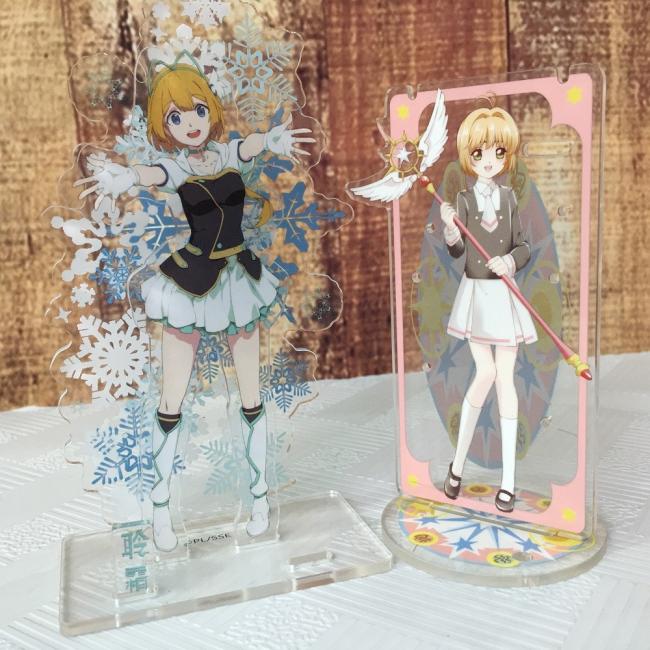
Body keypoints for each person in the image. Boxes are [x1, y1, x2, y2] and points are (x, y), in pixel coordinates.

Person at [75, 61, 314, 550]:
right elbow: (151, 172)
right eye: (176, 117)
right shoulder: (177, 167)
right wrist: (123, 177)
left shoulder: (225, 152)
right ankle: (161, 509)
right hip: (191, 282)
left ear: (212, 109)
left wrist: (273, 140)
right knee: (171, 400)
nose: (191, 123)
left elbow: (249, 146)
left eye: (198, 110)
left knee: (252, 397)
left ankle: (260, 501)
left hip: (239, 279)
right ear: (163, 125)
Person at [439, 102, 536, 513]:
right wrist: (449, 229)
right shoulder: (462, 201)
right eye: (479, 153)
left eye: (498, 152)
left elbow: (523, 246)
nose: (489, 160)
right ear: (469, 156)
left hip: (504, 295)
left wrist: (510, 261)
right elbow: (457, 251)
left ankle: (508, 481)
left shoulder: (510, 198)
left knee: (506, 379)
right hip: (477, 297)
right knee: (487, 372)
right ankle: (457, 465)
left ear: (506, 155)